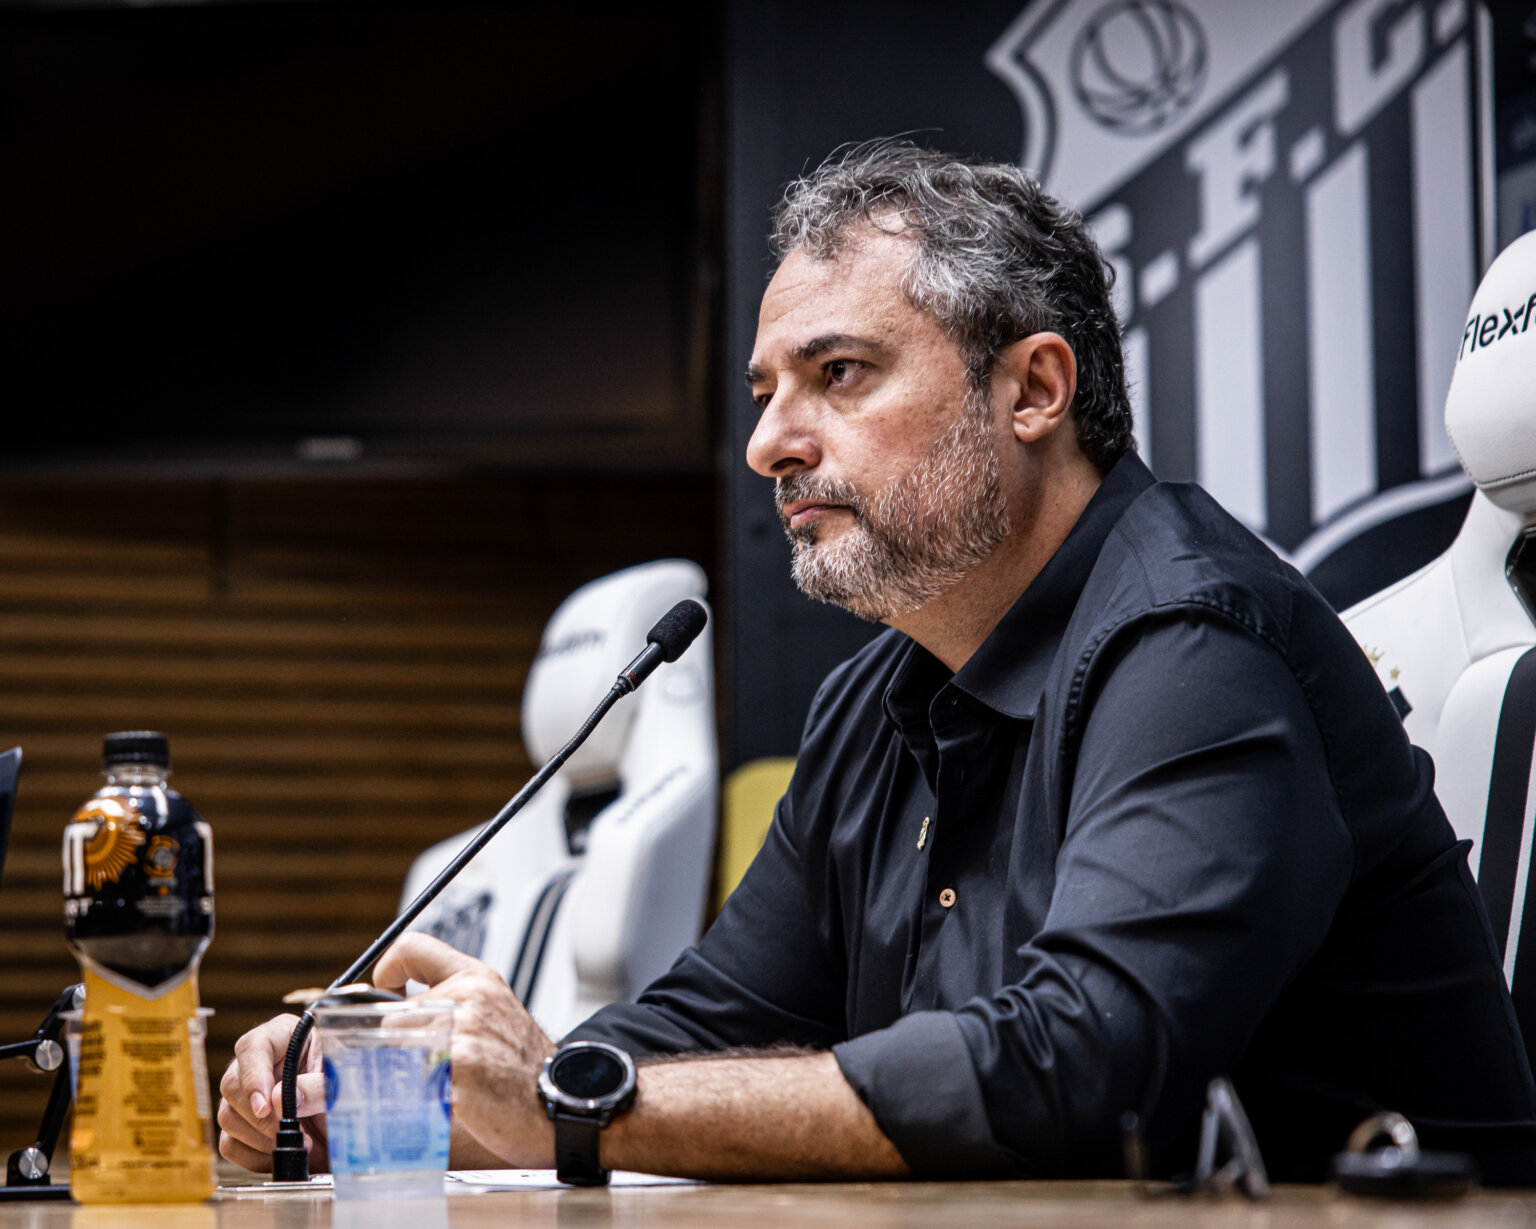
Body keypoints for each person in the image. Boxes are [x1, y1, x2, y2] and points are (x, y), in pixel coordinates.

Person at [218, 141, 1536, 1184]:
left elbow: (1080, 1068)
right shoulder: (879, 693)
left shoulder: (1193, 639)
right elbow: (702, 1025)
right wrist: (406, 1081)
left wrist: (567, 1097)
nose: (769, 444)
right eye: (763, 392)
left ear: (1031, 391)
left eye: (837, 374)